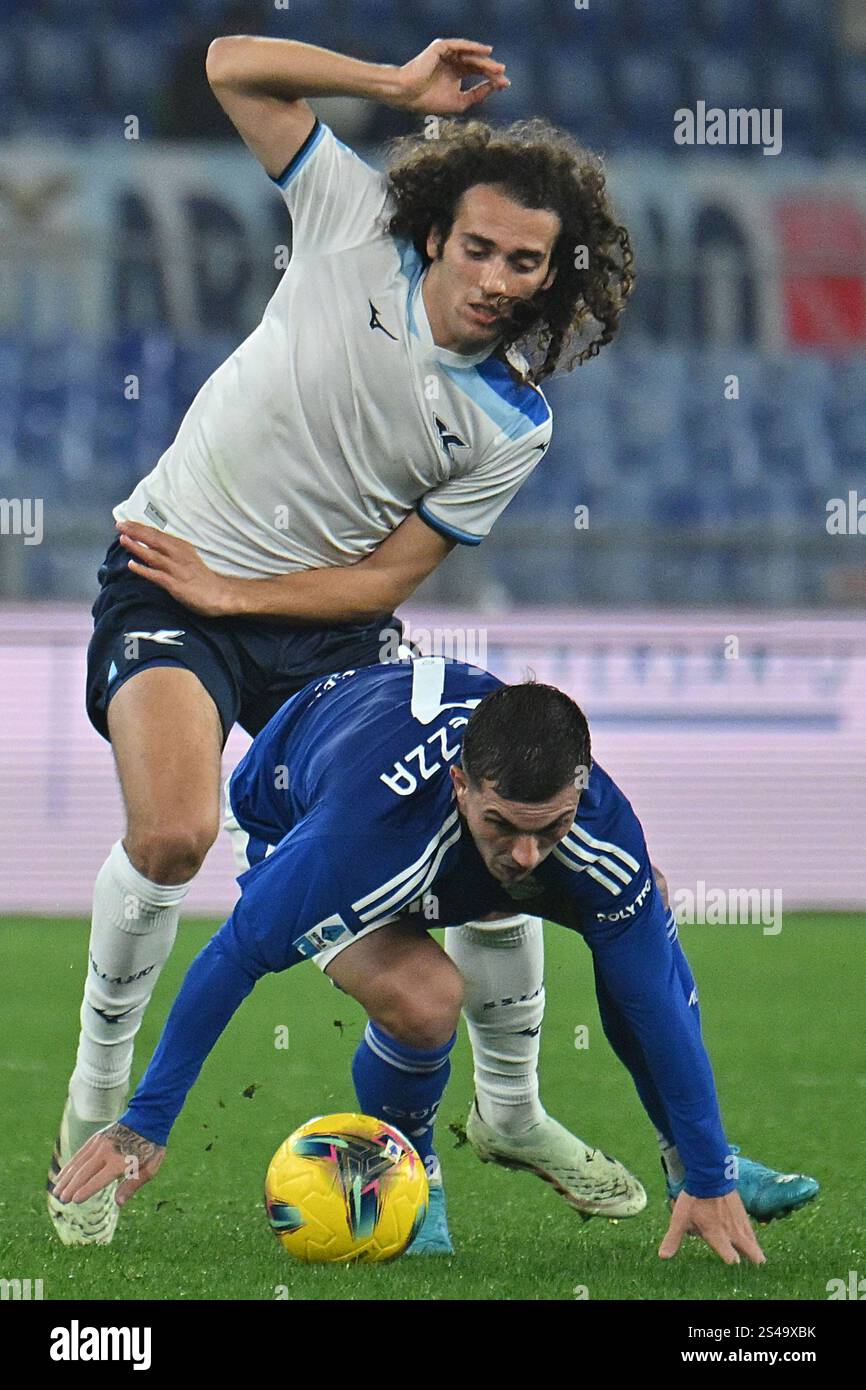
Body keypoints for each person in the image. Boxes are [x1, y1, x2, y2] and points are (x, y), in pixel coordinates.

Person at [48, 32, 639, 1247]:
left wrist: (246, 589)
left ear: (548, 277)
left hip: (323, 631)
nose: (492, 275)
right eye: (476, 245)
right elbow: (226, 64)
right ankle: (91, 1117)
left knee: (478, 837)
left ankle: (511, 1109)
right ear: (436, 232)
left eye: (522, 263)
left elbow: (383, 575)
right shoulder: (350, 219)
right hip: (171, 584)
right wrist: (392, 90)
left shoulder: (509, 424)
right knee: (170, 835)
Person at [55, 657, 779, 1267]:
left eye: (551, 827)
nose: (528, 852)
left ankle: (686, 1161)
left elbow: (648, 993)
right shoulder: (349, 846)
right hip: (294, 813)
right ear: (464, 786)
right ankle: (415, 1175)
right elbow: (231, 959)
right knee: (429, 998)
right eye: (503, 824)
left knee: (639, 910)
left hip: (419, 804)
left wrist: (709, 1166)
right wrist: (143, 1124)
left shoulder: (592, 825)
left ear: (581, 790)